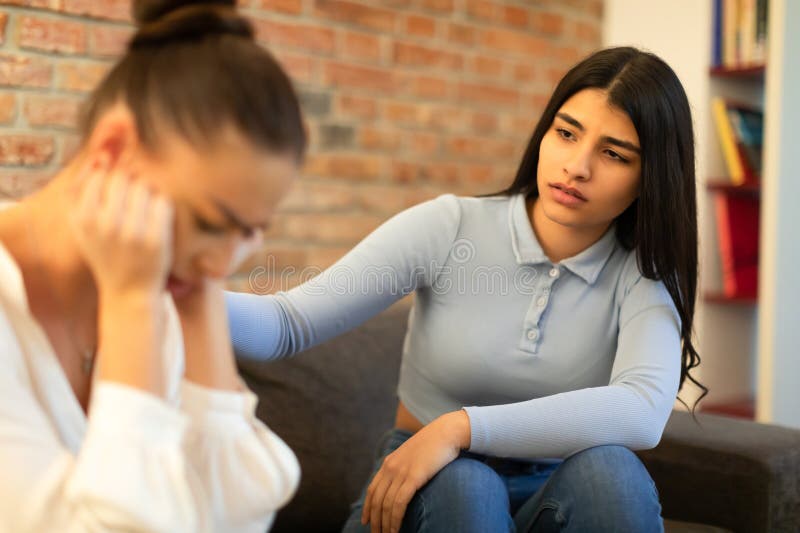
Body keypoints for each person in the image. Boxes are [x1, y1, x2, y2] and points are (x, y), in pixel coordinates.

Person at [226, 46, 705, 533]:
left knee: (613, 473)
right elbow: (285, 325)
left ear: (650, 177)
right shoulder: (449, 227)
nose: (577, 166)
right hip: (426, 488)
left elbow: (643, 412)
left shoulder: (644, 274)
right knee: (466, 484)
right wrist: (166, 285)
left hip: (548, 493)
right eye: (565, 133)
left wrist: (461, 428)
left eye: (613, 154)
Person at [0, 1, 307, 531]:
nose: (222, 264)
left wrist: (194, 302)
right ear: (114, 148)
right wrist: (131, 307)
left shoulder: (159, 296)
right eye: (211, 222)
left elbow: (234, 520)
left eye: (250, 232)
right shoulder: (138, 300)